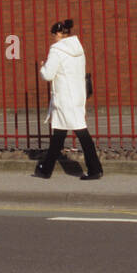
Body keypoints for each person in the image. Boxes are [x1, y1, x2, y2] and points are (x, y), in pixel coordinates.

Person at [33, 18, 103, 180]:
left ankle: (94, 169)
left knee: (80, 132)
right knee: (59, 133)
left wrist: (43, 67)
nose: (53, 38)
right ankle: (45, 169)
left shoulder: (56, 50)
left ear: (58, 33)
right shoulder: (78, 49)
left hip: (65, 98)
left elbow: (48, 75)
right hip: (77, 95)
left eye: (53, 35)